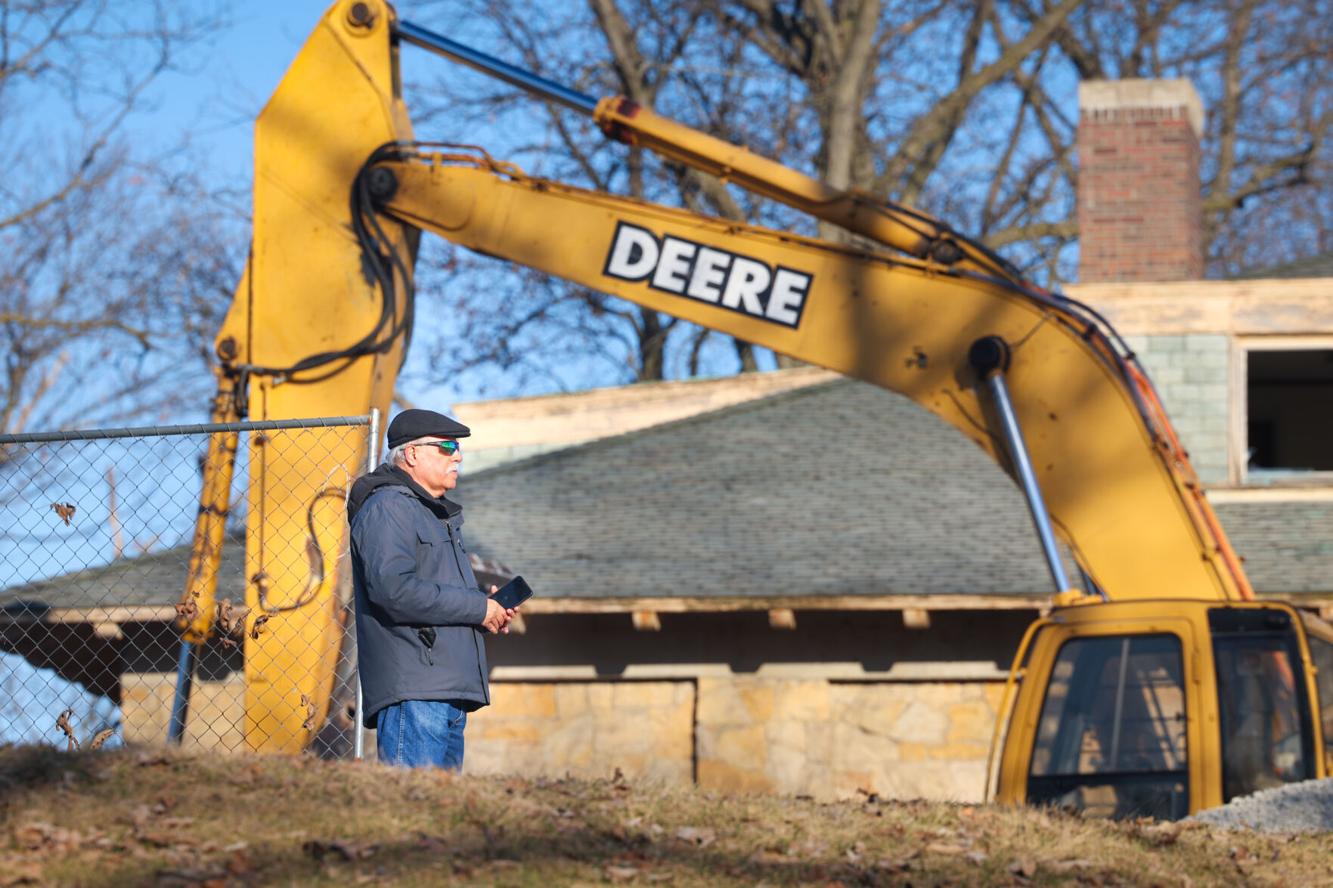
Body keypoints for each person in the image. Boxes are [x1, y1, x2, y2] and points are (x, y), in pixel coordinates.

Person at [347, 408, 517, 769]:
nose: (457, 455)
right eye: (447, 446)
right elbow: (394, 591)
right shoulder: (389, 506)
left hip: (443, 692)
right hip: (416, 692)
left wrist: (487, 610)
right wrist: (477, 608)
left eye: (458, 448)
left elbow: (434, 595)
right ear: (410, 453)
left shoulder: (432, 513)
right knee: (410, 816)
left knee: (438, 819)